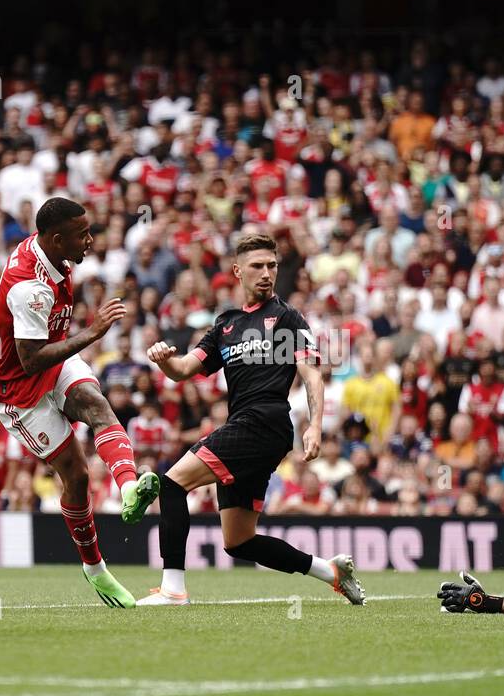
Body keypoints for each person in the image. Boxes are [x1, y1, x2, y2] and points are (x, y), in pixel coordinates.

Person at [142, 232, 365, 605]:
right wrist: (164, 360)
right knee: (238, 541)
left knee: (172, 484)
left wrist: (314, 425)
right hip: (243, 427)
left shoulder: (287, 317)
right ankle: (330, 572)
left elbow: (311, 374)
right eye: (257, 266)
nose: (266, 273)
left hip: (266, 423)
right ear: (237, 271)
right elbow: (184, 370)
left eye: (272, 266)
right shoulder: (225, 325)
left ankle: (173, 589)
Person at [0, 196, 159, 609]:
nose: (91, 241)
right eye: (82, 235)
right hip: (19, 389)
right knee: (77, 477)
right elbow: (29, 360)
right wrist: (93, 332)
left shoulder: (53, 253)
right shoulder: (29, 288)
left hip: (54, 358)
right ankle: (95, 569)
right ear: (57, 238)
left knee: (98, 405)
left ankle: (130, 489)